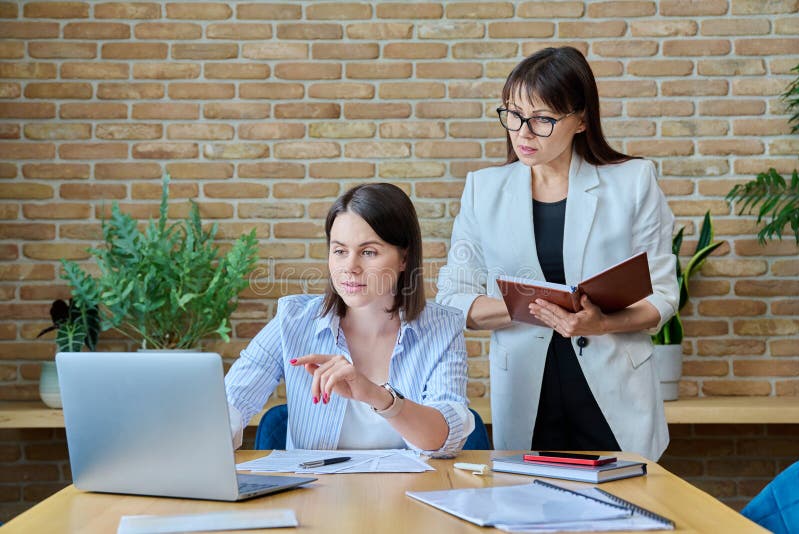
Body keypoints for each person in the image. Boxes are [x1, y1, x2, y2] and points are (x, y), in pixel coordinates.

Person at [436, 46, 679, 461]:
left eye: (542, 119)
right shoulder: (483, 190)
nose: (522, 133)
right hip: (529, 397)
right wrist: (530, 307)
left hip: (615, 393)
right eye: (512, 115)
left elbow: (662, 296)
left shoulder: (632, 182)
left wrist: (600, 323)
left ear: (581, 120)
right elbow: (452, 299)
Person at [226, 183, 474, 457]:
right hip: (315, 496)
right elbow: (231, 403)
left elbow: (445, 441)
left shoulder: (442, 327)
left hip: (409, 494)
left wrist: (375, 395)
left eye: (369, 252)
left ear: (404, 258)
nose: (350, 267)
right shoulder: (294, 320)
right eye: (340, 251)